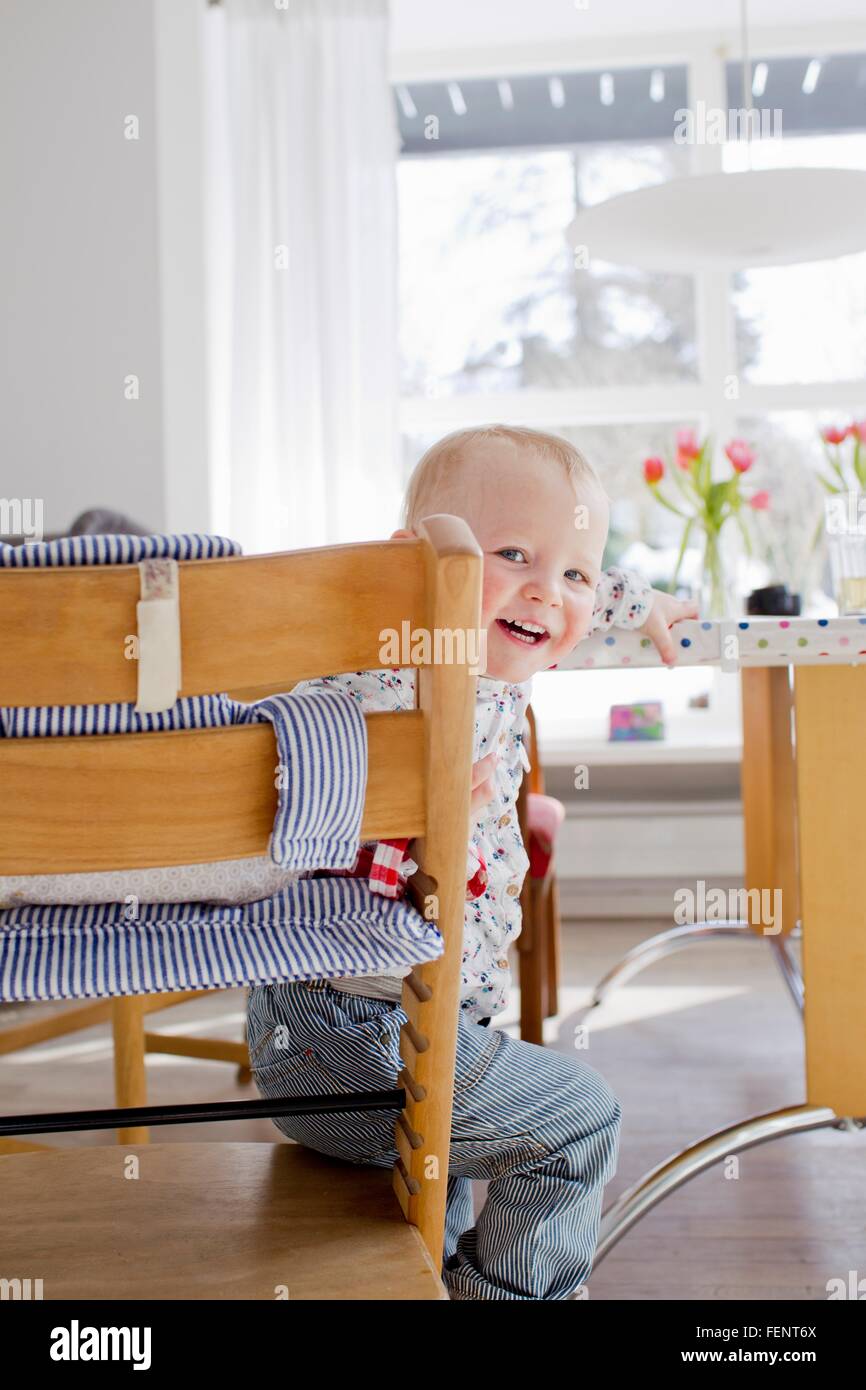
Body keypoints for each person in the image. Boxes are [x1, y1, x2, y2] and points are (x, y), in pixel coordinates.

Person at [246, 425, 696, 1300]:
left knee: (432, 1198)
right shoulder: (390, 670)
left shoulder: (497, 650)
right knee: (578, 1118)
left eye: (573, 572)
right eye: (514, 553)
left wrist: (636, 603)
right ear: (414, 563)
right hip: (348, 1030)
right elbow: (284, 735)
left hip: (401, 1023)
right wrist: (392, 784)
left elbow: (561, 591)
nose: (546, 591)